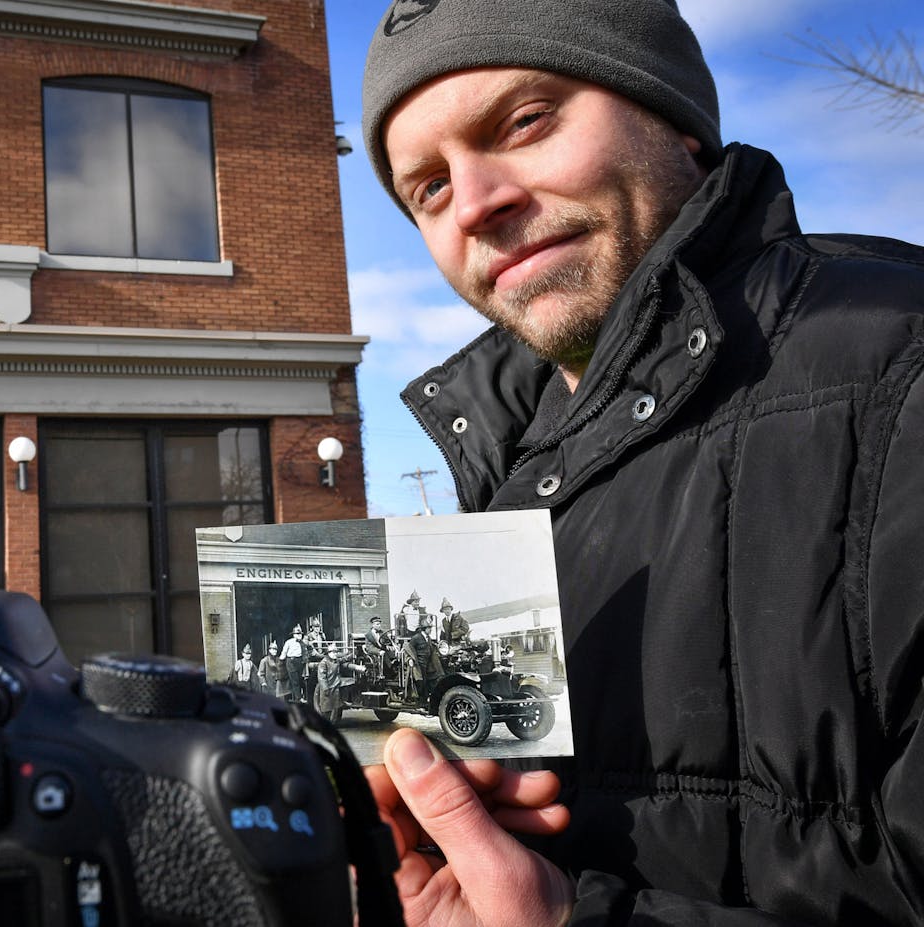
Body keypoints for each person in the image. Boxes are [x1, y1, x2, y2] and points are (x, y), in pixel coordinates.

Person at [359, 1, 924, 925]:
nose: (474, 205)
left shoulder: (904, 371)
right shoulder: (501, 485)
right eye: (427, 187)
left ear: (674, 117)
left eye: (526, 121)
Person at [281, 625, 308, 702]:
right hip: (291, 661)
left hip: (300, 662)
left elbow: (306, 651)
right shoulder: (289, 642)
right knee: (295, 680)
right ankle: (298, 699)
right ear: (293, 635)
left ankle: (301, 696)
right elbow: (284, 652)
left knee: (300, 680)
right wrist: (280, 660)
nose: (299, 635)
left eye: (300, 634)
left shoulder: (303, 643)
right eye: (297, 634)